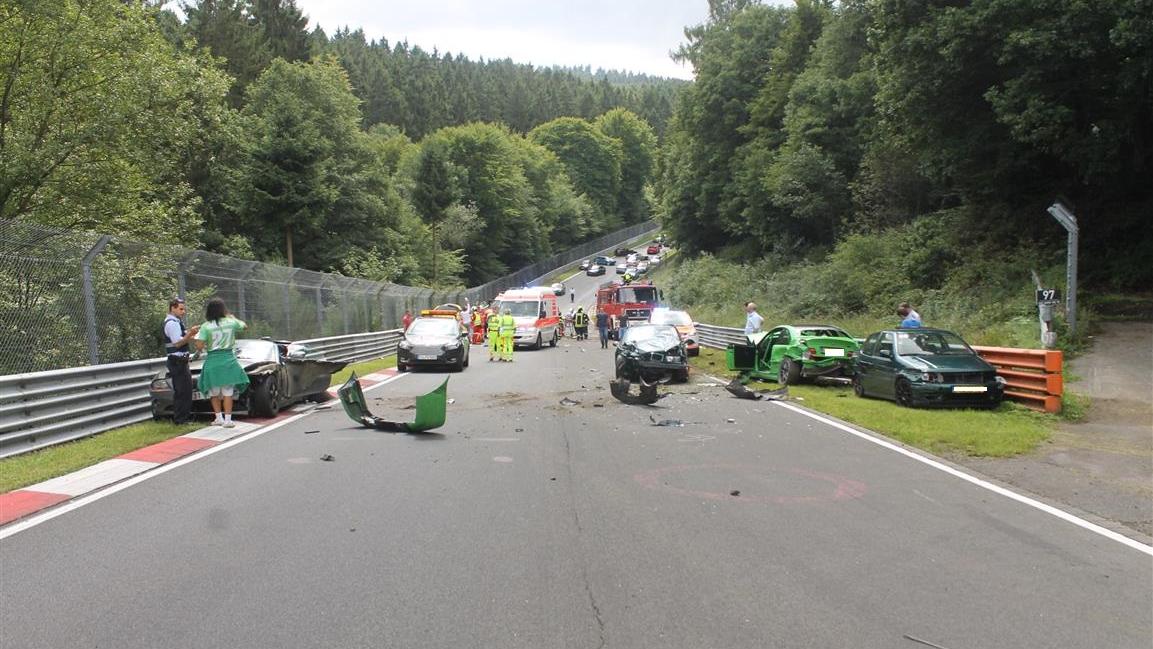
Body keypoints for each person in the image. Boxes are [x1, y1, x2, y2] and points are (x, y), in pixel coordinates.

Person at [194, 298, 249, 427]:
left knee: (213, 391)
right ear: (223, 309)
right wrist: (234, 318)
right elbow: (245, 326)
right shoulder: (231, 322)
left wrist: (196, 338)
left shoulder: (206, 326)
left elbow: (199, 346)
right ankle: (228, 420)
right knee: (228, 391)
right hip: (228, 359)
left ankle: (218, 417)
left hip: (213, 360)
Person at [162, 298, 200, 425]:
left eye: (184, 309)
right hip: (177, 362)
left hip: (181, 361)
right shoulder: (172, 323)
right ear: (173, 308)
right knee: (181, 391)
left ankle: (184, 418)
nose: (183, 311)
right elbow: (177, 343)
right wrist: (190, 335)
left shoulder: (177, 322)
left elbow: (185, 337)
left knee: (186, 390)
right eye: (181, 309)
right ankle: (180, 420)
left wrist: (194, 334)